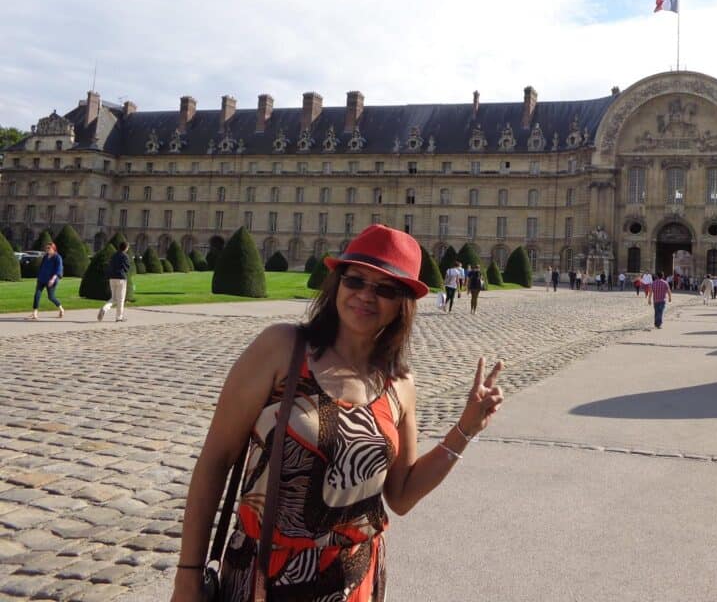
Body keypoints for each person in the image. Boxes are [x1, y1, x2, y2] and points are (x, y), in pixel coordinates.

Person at [172, 224, 504, 602]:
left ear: (403, 304)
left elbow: (402, 496)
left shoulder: (399, 383)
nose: (366, 295)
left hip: (352, 581)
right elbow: (216, 460)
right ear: (337, 283)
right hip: (265, 578)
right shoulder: (281, 348)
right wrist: (188, 575)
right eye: (355, 280)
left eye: (386, 289)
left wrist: (464, 429)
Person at [98, 241, 131, 322]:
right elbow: (127, 267)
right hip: (121, 278)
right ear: (126, 248)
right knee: (120, 299)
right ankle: (119, 317)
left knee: (113, 298)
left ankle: (104, 308)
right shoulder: (125, 256)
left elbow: (109, 265)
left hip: (112, 278)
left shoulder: (113, 255)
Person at [29, 242, 64, 320]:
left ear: (53, 249)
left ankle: (61, 309)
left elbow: (58, 269)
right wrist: (39, 276)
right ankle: (35, 312)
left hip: (51, 280)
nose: (47, 249)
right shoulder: (45, 257)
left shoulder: (57, 257)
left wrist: (52, 279)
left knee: (51, 297)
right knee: (37, 295)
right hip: (41, 279)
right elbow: (42, 267)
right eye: (46, 248)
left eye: (49, 248)